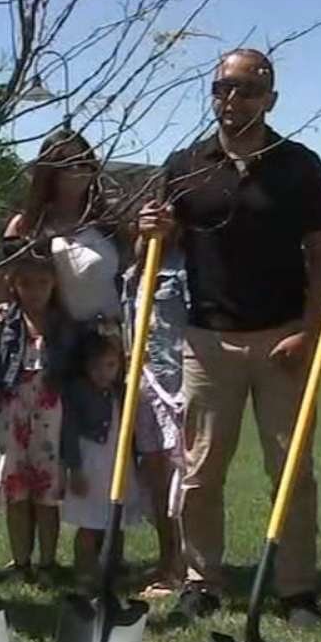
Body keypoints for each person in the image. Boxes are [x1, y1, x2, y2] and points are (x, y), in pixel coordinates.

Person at [137, 48, 321, 628]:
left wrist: (310, 330)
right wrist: (150, 231)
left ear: (270, 99)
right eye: (223, 88)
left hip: (283, 338)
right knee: (199, 470)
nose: (233, 100)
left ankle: (298, 591)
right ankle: (202, 580)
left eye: (247, 89)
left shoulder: (299, 165)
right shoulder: (186, 165)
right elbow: (151, 249)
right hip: (207, 340)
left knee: (292, 469)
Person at [0, 246, 79, 585]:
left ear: (54, 284)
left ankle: (48, 563)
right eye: (26, 283)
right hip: (12, 408)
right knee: (16, 492)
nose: (35, 290)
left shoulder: (64, 325)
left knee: (47, 493)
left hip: (51, 410)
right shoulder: (6, 322)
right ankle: (20, 562)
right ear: (14, 284)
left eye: (42, 282)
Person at [60, 330, 164, 594]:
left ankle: (112, 565)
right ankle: (85, 569)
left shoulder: (123, 393)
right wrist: (74, 469)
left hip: (117, 463)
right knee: (89, 521)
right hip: (91, 463)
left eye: (110, 365)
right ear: (85, 367)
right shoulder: (79, 394)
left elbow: (131, 431)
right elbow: (69, 433)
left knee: (115, 518)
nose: (104, 373)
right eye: (96, 366)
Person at [5, 129, 129, 334]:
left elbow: (135, 272)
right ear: (48, 171)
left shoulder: (109, 223)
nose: (77, 170)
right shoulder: (25, 226)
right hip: (51, 342)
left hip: (106, 344)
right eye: (65, 163)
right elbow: (7, 287)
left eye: (84, 162)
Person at [120, 233, 188, 598]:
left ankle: (184, 566)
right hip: (142, 385)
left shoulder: (185, 267)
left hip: (177, 384)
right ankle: (167, 559)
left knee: (181, 476)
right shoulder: (133, 275)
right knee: (155, 479)